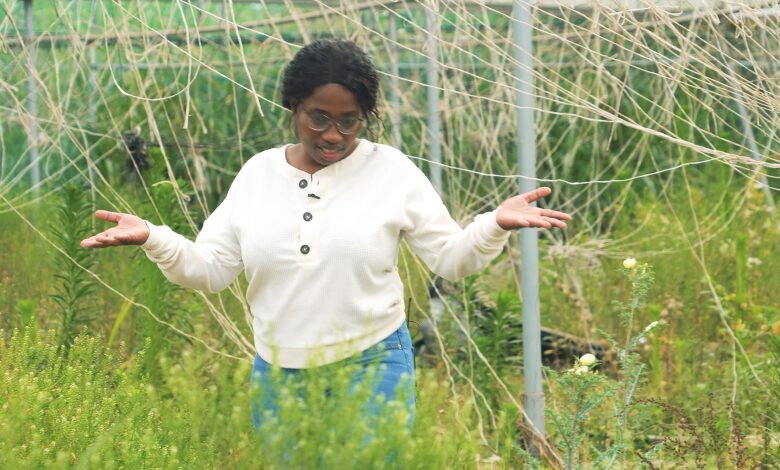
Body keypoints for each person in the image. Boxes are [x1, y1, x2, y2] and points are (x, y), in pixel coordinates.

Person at [80, 39, 571, 431]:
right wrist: (154, 236)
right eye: (319, 117)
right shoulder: (257, 175)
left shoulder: (391, 171)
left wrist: (492, 225)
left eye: (349, 121)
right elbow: (209, 270)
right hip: (279, 372)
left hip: (372, 362)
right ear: (294, 107)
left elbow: (449, 258)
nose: (334, 134)